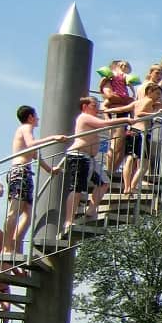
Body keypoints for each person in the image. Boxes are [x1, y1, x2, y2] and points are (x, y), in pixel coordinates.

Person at [3, 105, 64, 254]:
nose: (38, 118)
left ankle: (16, 244)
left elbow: (35, 155)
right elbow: (31, 144)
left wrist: (50, 169)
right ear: (30, 117)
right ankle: (6, 247)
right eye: (36, 115)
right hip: (19, 172)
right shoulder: (26, 128)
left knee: (29, 215)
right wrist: (53, 138)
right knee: (14, 211)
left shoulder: (26, 131)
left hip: (26, 173)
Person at [61, 97, 111, 231]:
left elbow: (106, 122)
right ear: (85, 107)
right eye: (94, 105)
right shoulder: (84, 117)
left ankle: (91, 209)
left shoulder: (92, 119)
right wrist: (127, 120)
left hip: (90, 158)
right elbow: (106, 124)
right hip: (79, 156)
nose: (97, 108)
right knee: (76, 188)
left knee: (104, 182)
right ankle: (68, 221)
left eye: (97, 105)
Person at [121, 79, 162, 193]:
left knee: (129, 160)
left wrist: (103, 111)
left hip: (132, 131)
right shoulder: (148, 101)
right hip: (142, 134)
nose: (159, 96)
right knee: (145, 165)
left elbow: (122, 109)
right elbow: (140, 113)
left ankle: (127, 187)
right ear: (149, 92)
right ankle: (132, 186)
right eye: (157, 93)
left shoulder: (139, 101)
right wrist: (155, 114)